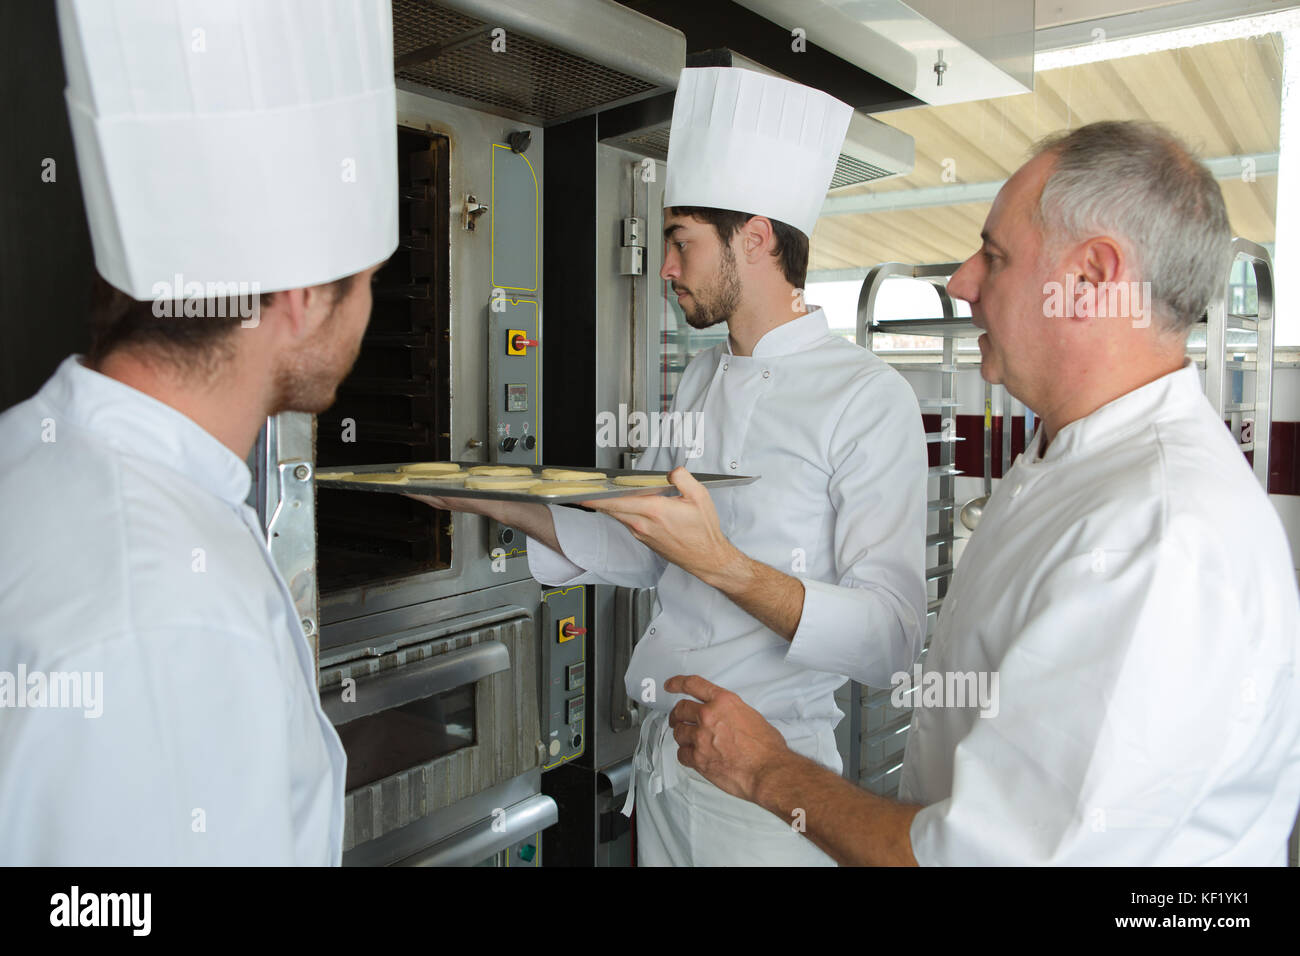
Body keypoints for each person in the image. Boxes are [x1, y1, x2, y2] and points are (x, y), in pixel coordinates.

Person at [662, 120, 1300, 865]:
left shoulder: (1159, 536)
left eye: (994, 256)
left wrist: (767, 767)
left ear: (1091, 279)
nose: (961, 282)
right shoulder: (1068, 463)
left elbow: (982, 858)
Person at [414, 67, 928, 865]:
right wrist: (490, 499)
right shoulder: (698, 377)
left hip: (770, 791)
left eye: (683, 241)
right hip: (669, 765)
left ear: (756, 239)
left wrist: (725, 566)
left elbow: (890, 640)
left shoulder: (869, 397)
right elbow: (641, 551)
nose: (665, 268)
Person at [0, 0, 398, 864]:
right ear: (299, 299)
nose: (369, 310)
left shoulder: (29, 455)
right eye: (367, 279)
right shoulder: (174, 631)